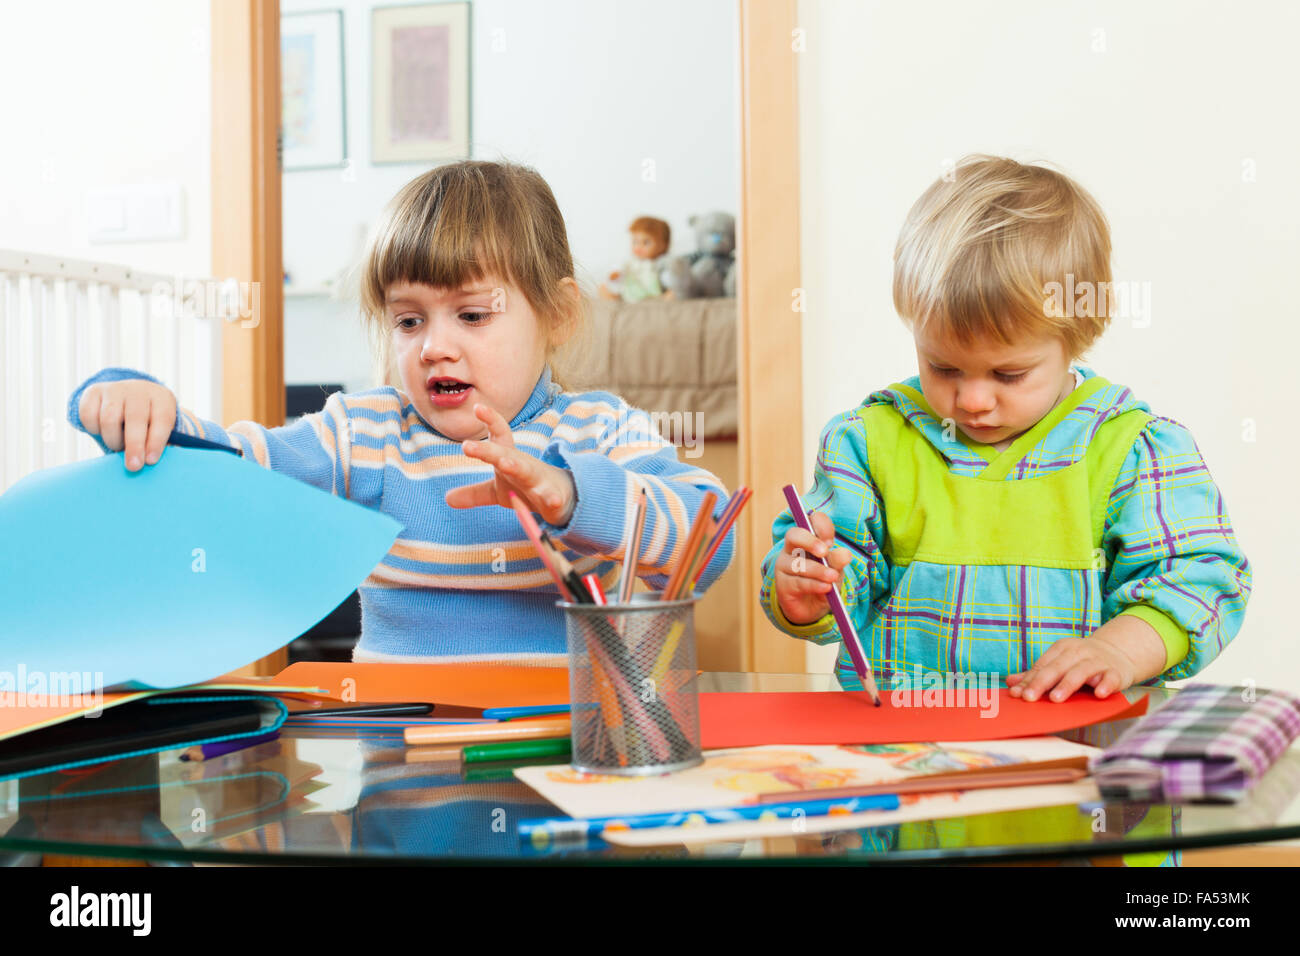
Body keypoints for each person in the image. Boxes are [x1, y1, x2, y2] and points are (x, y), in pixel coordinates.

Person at [67, 160, 734, 664]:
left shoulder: (599, 428)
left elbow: (710, 539)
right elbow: (233, 469)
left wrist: (567, 494)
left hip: (567, 763)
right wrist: (136, 402)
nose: (434, 347)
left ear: (557, 314)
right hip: (401, 767)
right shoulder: (364, 432)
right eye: (408, 320)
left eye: (473, 315)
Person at [762, 154, 1251, 701]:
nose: (971, 400)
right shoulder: (868, 440)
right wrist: (806, 591)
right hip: (897, 750)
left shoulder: (1130, 447)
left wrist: (1119, 650)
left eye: (1008, 373)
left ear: (1077, 336)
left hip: (1070, 750)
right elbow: (837, 574)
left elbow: (1203, 581)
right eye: (942, 367)